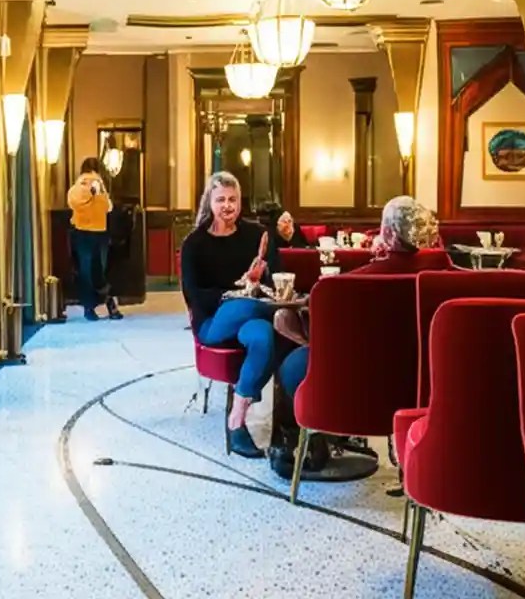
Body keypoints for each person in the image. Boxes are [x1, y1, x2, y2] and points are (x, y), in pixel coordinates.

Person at [269, 197, 441, 476]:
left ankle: (306, 450)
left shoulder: (344, 287)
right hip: (424, 387)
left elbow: (323, 333)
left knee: (295, 363)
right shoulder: (445, 276)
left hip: (353, 391)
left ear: (385, 233)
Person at [181, 172, 280, 458]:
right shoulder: (194, 243)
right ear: (209, 202)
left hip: (250, 316)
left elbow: (274, 280)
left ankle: (237, 418)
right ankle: (291, 315)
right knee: (247, 306)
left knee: (262, 336)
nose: (228, 205)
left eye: (233, 199)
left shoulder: (255, 235)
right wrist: (234, 292)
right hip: (213, 320)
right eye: (221, 199)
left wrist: (261, 278)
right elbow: (193, 294)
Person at [67, 158, 122, 321]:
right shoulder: (95, 184)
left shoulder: (79, 186)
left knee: (86, 271)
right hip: (99, 232)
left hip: (83, 232)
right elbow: (109, 207)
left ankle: (89, 308)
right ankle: (108, 303)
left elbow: (73, 202)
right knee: (100, 270)